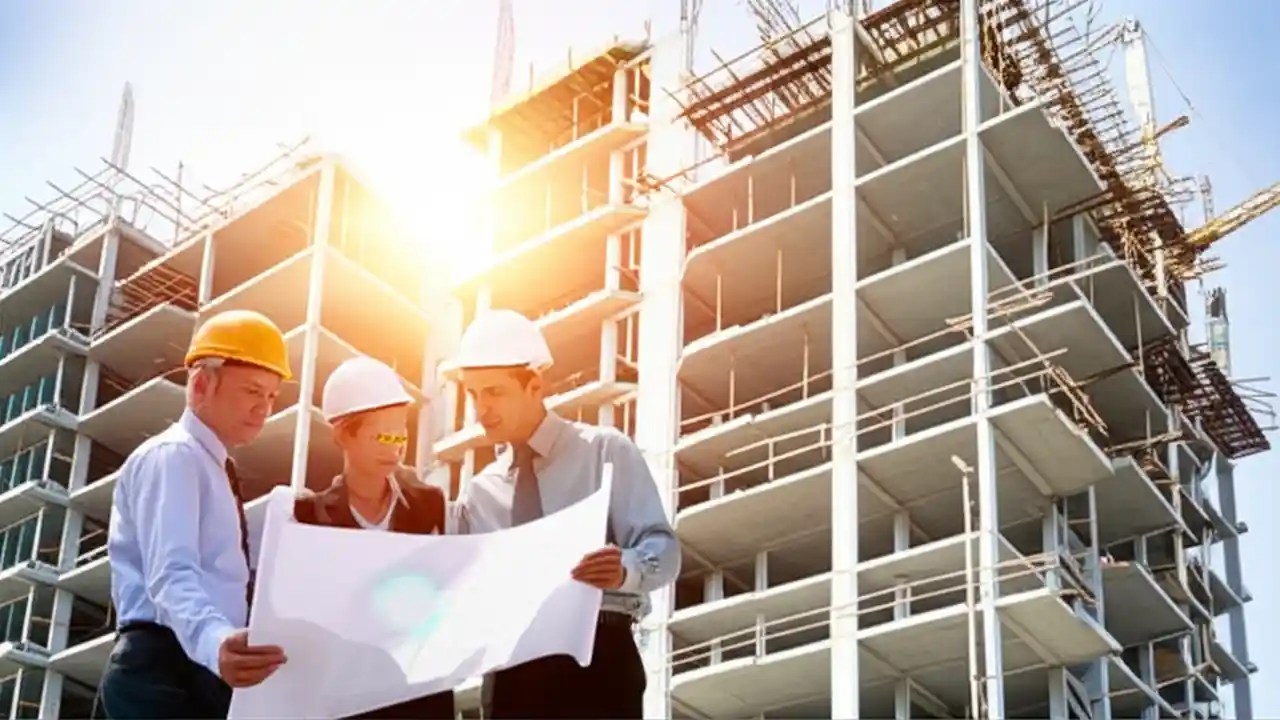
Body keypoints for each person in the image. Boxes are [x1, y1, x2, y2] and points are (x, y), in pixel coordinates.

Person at [440, 309, 681, 719]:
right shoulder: (480, 494)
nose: (481, 408)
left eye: (494, 392)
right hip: (512, 676)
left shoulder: (605, 452)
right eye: (473, 394)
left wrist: (624, 568)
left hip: (598, 662)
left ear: (535, 385)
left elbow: (664, 549)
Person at [101, 310, 291, 719]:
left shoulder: (213, 469)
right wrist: (216, 642)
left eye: (272, 397)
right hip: (163, 668)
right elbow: (170, 575)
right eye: (253, 391)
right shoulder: (174, 457)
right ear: (203, 384)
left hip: (201, 668)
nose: (264, 408)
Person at [292, 355, 454, 719]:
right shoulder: (308, 517)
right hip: (346, 699)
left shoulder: (428, 503)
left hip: (419, 693)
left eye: (402, 434)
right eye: (383, 435)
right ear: (343, 434)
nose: (395, 447)